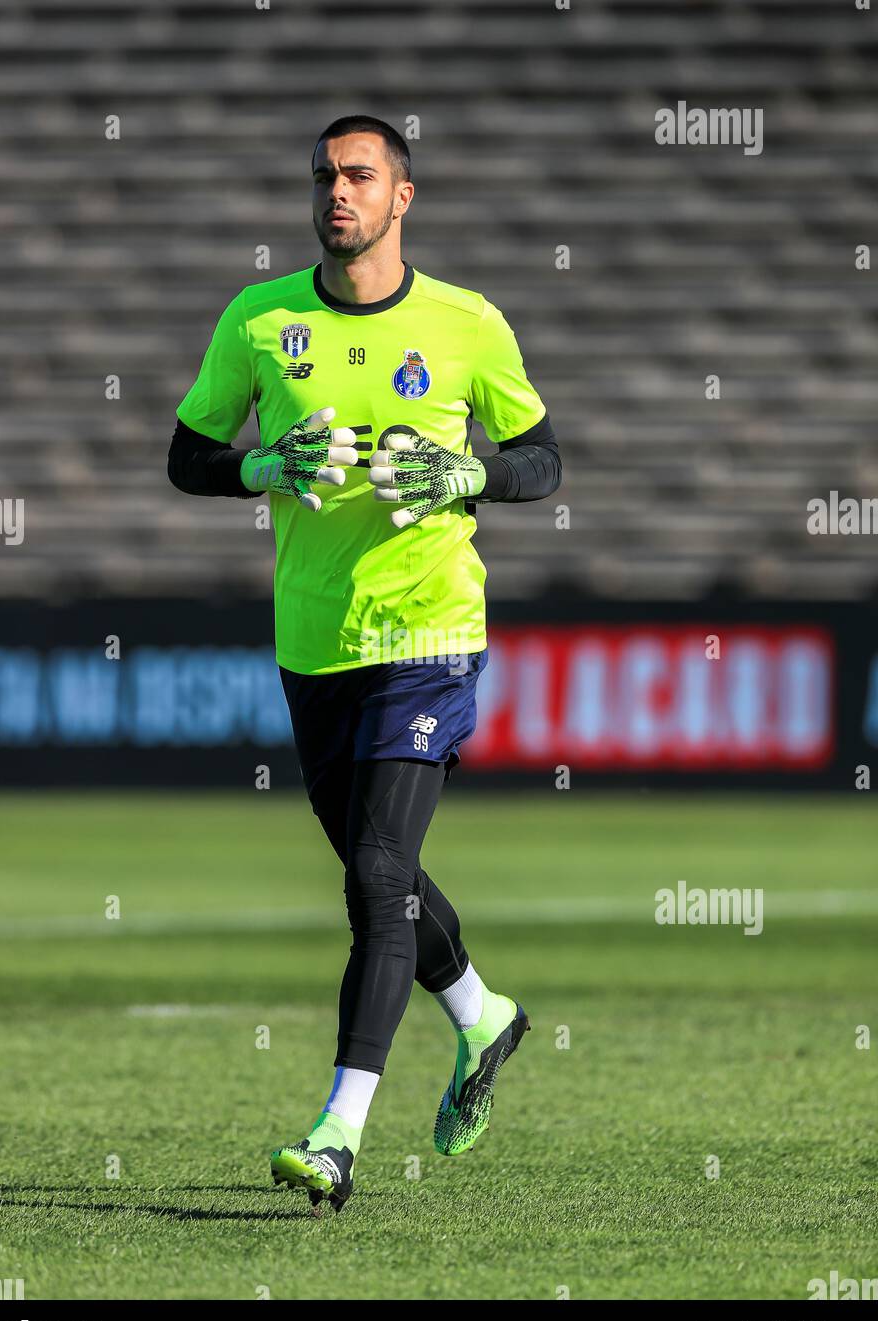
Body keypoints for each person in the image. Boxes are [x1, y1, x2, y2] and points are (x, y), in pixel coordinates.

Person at [168, 114, 562, 1212]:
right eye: (324, 176)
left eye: (359, 175)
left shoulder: (466, 324)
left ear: (403, 197)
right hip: (314, 644)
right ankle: (483, 1017)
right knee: (376, 875)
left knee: (378, 871)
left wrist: (466, 478)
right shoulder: (260, 318)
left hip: (429, 633)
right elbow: (185, 453)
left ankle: (338, 1133)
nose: (336, 191)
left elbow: (541, 458)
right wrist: (256, 467)